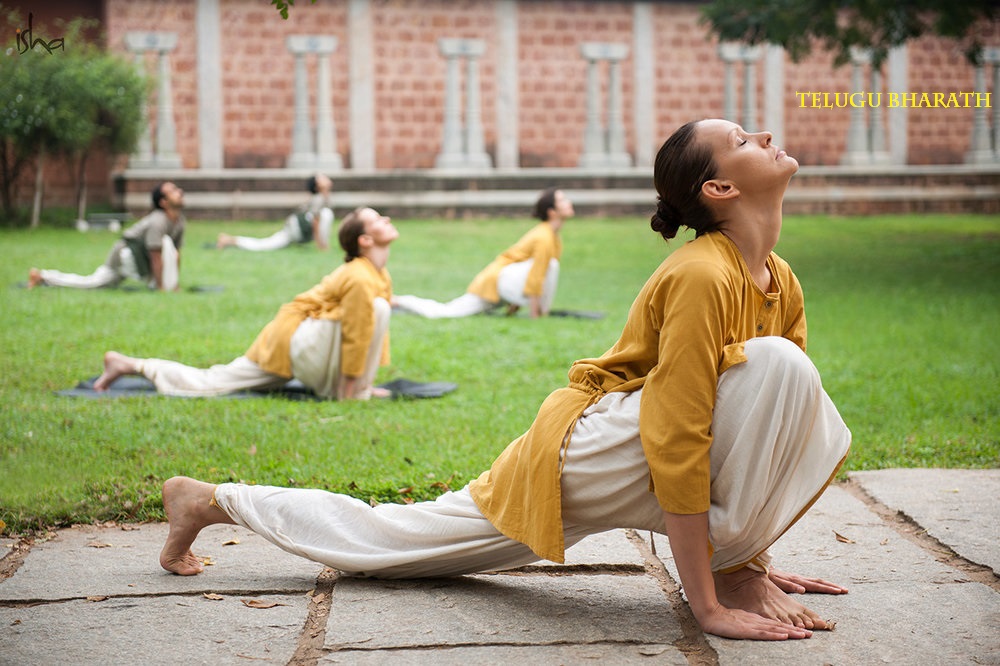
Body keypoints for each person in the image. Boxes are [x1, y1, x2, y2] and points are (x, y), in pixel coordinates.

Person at [156, 119, 852, 641]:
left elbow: (762, 433)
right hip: (595, 451)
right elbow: (678, 430)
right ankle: (209, 500)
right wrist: (708, 604)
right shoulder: (702, 272)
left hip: (641, 451)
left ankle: (736, 570)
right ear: (719, 188)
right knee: (392, 542)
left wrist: (747, 562)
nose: (764, 133)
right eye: (742, 137)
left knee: (796, 383)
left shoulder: (777, 278)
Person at [94, 207, 399, 401]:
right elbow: (357, 334)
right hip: (296, 341)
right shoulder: (359, 277)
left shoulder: (376, 272)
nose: (386, 219)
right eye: (377, 220)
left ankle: (130, 364)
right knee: (214, 380)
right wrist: (348, 392)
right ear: (365, 241)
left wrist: (363, 384)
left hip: (307, 343)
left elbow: (367, 332)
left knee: (214, 380)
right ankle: (132, 365)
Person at [393, 187, 572, 318]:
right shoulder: (544, 236)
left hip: (503, 284)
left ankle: (400, 302)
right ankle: (399, 301)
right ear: (552, 212)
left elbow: (530, 271)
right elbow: (535, 276)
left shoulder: (550, 235)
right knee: (446, 311)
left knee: (449, 310)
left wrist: (516, 307)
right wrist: (535, 315)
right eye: (562, 200)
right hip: (495, 282)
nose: (569, 202)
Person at [28, 182, 186, 291]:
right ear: (164, 202)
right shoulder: (157, 221)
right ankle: (42, 276)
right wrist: (161, 288)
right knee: (94, 284)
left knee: (167, 246)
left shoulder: (179, 221)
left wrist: (174, 284)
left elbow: (175, 254)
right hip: (126, 254)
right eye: (173, 191)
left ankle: (43, 277)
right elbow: (155, 256)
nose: (179, 192)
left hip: (141, 258)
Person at [216, 174, 335, 251]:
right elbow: (315, 221)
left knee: (266, 244)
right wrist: (322, 246)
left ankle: (230, 240)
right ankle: (229, 240)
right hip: (296, 228)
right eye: (321, 177)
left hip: (296, 227)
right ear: (317, 185)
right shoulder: (318, 199)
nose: (325, 178)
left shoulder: (321, 198)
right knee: (265, 245)